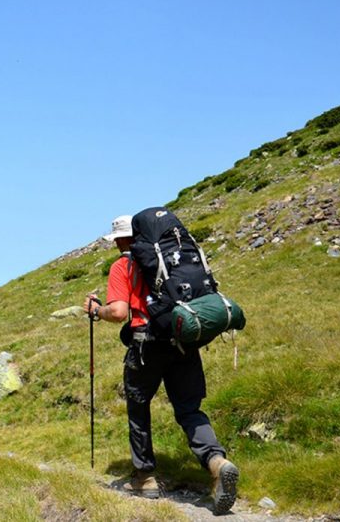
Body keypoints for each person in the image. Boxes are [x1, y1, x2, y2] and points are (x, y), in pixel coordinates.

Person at [83, 214, 240, 513]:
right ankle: (217, 462)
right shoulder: (175, 258)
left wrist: (95, 310)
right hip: (182, 340)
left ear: (122, 239)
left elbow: (118, 312)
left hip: (146, 346)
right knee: (189, 409)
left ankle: (145, 478)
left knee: (139, 408)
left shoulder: (123, 265)